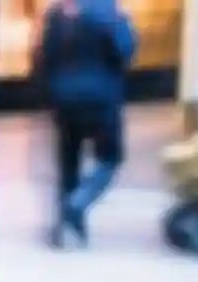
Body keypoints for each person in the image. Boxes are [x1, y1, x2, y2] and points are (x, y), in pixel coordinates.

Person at [36, 0, 136, 248]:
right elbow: (125, 50)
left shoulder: (57, 12)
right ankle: (78, 203)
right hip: (101, 97)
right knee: (110, 158)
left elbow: (42, 57)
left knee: (68, 161)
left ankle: (67, 227)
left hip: (63, 97)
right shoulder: (108, 11)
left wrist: (48, 93)